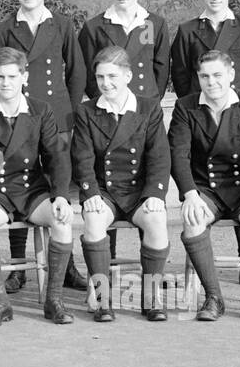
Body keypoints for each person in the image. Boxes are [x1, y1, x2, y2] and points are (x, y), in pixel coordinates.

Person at [0, 0, 88, 293]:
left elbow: (76, 71)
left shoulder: (61, 24)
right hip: (15, 120)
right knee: (15, 183)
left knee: (58, 188)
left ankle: (67, 265)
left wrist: (69, 112)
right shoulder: (4, 28)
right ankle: (18, 269)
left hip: (55, 118)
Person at [0, 48, 74, 328]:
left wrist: (60, 195)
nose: (6, 83)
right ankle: (1, 302)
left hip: (31, 190)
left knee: (62, 219)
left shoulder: (40, 110)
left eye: (12, 76)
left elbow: (57, 157)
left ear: (24, 76)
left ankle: (54, 300)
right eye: (0, 77)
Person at [170, 0, 240, 281]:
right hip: (200, 119)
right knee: (204, 182)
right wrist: (199, 114)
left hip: (239, 120)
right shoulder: (187, 30)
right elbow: (183, 77)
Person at [168, 51, 240, 322]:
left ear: (230, 75)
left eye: (218, 75)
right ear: (198, 78)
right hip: (205, 190)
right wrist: (190, 194)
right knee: (192, 220)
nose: (211, 82)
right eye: (205, 76)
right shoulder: (186, 106)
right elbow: (177, 154)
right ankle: (213, 297)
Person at [72, 47, 171, 323]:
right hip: (105, 191)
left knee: (157, 219)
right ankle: (102, 298)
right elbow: (82, 157)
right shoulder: (86, 110)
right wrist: (90, 192)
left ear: (128, 75)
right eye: (100, 77)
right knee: (92, 219)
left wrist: (155, 194)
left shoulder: (148, 107)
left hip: (139, 191)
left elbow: (159, 156)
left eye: (112, 76)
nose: (106, 84)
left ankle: (151, 297)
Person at [77, 0, 171, 102]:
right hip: (108, 107)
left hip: (145, 107)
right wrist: (104, 100)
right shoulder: (93, 27)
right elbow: (88, 73)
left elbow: (162, 70)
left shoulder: (156, 24)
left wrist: (151, 102)